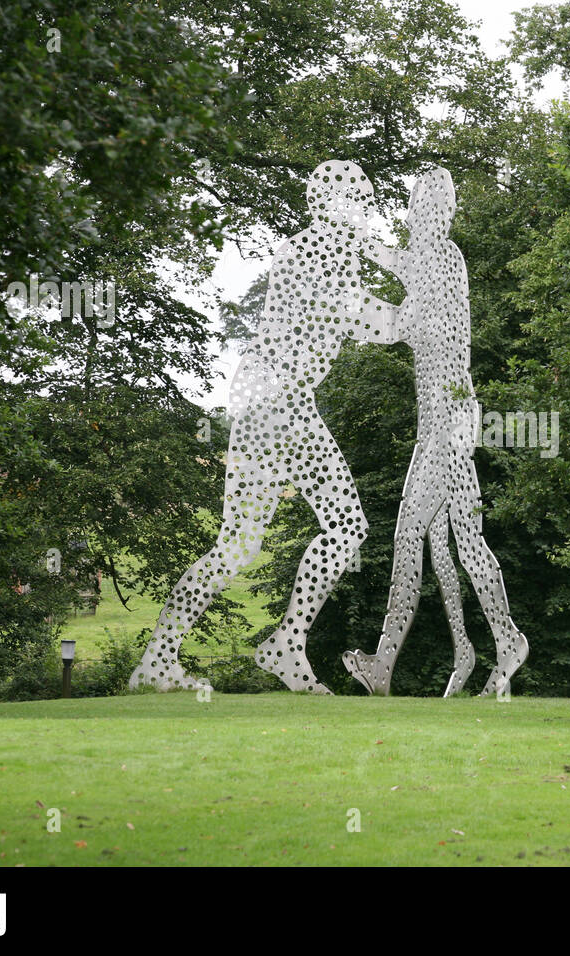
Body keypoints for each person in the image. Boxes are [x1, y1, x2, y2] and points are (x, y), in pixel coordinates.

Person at [130, 160, 400, 693]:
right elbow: (371, 320)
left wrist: (399, 272)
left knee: (257, 541)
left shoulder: (332, 252)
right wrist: (423, 312)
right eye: (359, 201)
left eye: (367, 201)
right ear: (331, 204)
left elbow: (367, 311)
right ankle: (251, 647)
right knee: (313, 531)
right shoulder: (311, 252)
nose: (366, 212)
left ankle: (239, 649)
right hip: (276, 405)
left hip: (280, 402)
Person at [343, 168, 528, 697]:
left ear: (436, 212)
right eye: (413, 206)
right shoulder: (430, 260)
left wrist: (347, 304)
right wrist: (355, 239)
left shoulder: (443, 257)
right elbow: (397, 273)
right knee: (440, 542)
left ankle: (494, 642)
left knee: (435, 538)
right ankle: (486, 644)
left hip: (449, 423)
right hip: (438, 426)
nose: (412, 215)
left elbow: (402, 324)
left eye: (421, 206)